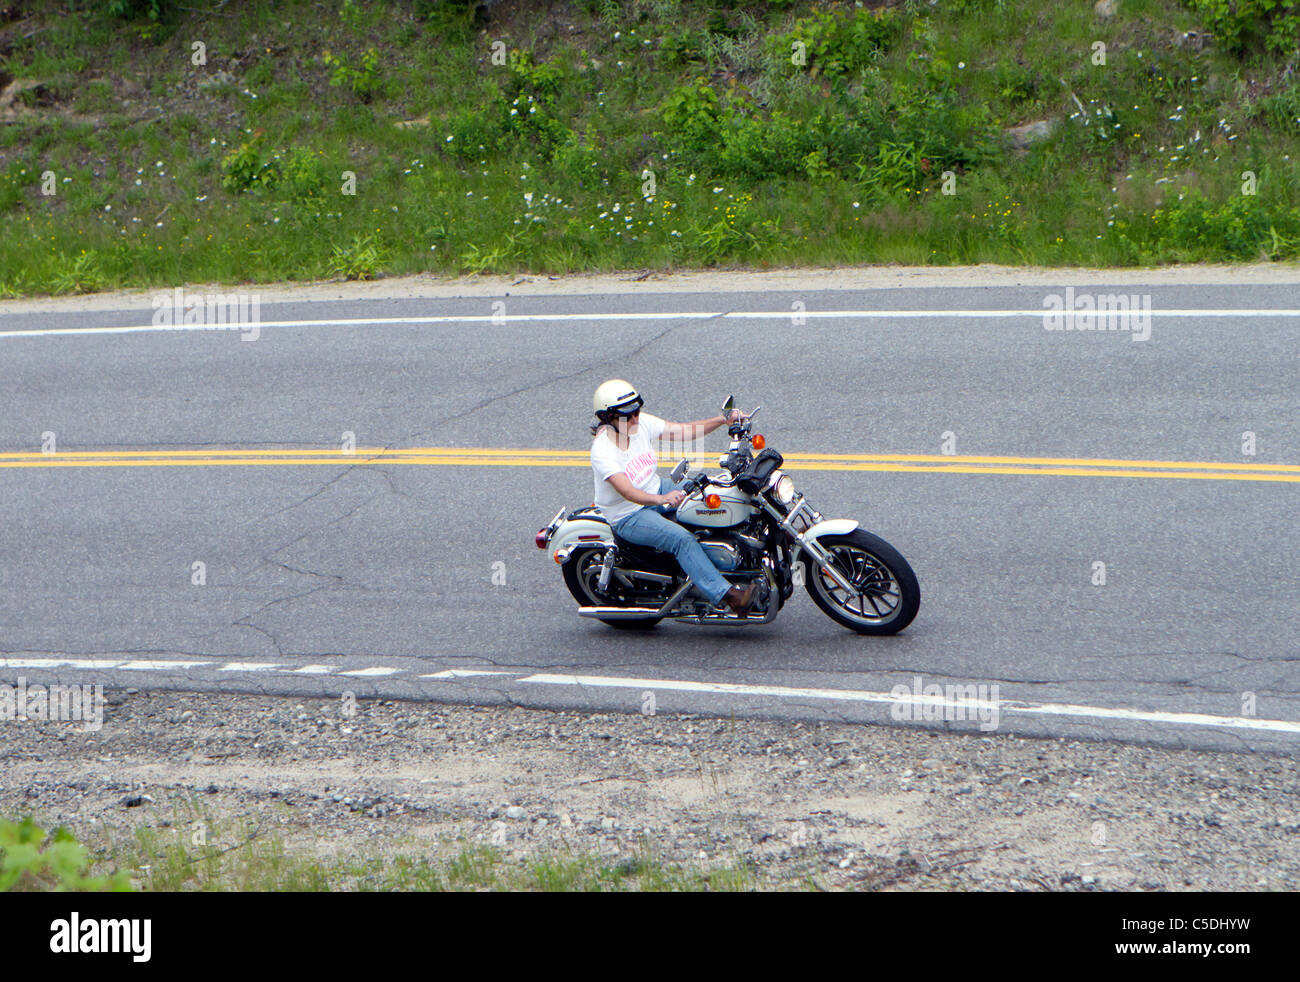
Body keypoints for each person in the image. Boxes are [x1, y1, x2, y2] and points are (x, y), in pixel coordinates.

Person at [589, 379, 758, 615]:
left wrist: (723, 420)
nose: (635, 419)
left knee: (715, 490)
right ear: (608, 418)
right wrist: (663, 499)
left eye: (636, 411)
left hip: (656, 488)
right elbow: (627, 491)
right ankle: (729, 596)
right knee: (682, 540)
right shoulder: (603, 451)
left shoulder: (640, 424)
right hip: (629, 514)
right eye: (627, 416)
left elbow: (683, 431)